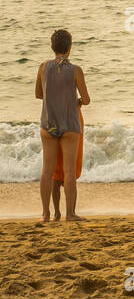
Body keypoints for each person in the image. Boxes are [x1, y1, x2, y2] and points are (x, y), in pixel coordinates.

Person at [35, 30, 90, 223]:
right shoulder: (76, 70)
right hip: (69, 125)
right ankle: (70, 214)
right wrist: (76, 101)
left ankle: (45, 214)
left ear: (52, 47)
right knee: (68, 171)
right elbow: (86, 99)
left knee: (47, 170)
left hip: (48, 123)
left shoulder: (43, 67)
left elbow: (39, 94)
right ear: (69, 47)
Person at [51, 108, 84, 219]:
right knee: (71, 170)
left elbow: (39, 95)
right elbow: (86, 100)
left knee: (55, 171)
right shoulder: (71, 89)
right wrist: (78, 102)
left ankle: (56, 213)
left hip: (53, 116)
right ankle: (71, 212)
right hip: (72, 117)